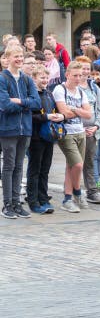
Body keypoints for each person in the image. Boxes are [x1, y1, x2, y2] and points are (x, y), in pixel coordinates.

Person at [0, 45, 41, 219]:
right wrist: (26, 104)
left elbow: (37, 103)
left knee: (19, 167)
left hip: (25, 130)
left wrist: (19, 101)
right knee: (9, 167)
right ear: (7, 58)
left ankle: (17, 203)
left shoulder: (26, 79)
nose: (18, 59)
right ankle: (7, 204)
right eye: (15, 56)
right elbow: (5, 105)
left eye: (20, 56)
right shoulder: (2, 78)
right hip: (8, 130)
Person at [53, 62, 94, 213]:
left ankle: (67, 199)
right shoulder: (60, 89)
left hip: (80, 131)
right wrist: (78, 111)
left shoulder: (81, 92)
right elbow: (64, 112)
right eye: (75, 75)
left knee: (71, 166)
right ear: (67, 74)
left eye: (80, 75)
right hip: (66, 132)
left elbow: (89, 114)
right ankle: (77, 191)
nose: (78, 78)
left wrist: (74, 109)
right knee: (77, 165)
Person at [26, 65, 61, 214]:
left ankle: (43, 198)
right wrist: (46, 117)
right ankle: (33, 201)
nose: (45, 80)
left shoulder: (49, 94)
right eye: (41, 77)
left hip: (48, 137)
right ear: (34, 79)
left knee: (45, 169)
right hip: (35, 138)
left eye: (46, 77)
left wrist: (59, 116)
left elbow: (55, 111)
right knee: (35, 170)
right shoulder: (31, 95)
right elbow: (29, 117)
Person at [76, 57, 100, 205]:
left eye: (88, 68)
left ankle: (92, 192)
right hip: (75, 131)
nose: (86, 71)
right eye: (83, 68)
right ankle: (72, 192)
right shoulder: (72, 87)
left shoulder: (95, 88)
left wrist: (96, 126)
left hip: (92, 132)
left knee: (90, 162)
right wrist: (80, 127)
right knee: (74, 163)